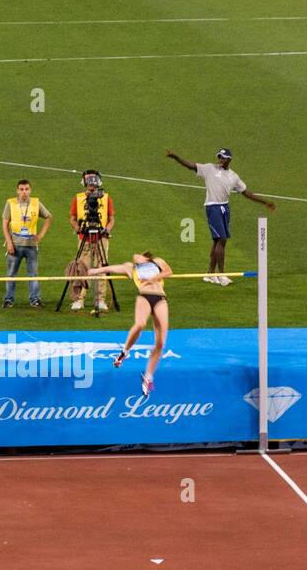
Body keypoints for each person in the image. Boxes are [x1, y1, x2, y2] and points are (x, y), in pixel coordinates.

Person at [165, 147, 275, 284]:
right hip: (213, 207)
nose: (220, 160)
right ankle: (222, 274)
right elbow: (191, 165)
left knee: (218, 241)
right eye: (219, 157)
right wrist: (175, 156)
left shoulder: (234, 176)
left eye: (223, 158)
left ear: (229, 159)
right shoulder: (210, 168)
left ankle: (210, 274)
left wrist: (264, 202)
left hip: (225, 208)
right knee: (222, 239)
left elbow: (246, 192)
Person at [88, 253, 172, 397]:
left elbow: (168, 272)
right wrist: (95, 271)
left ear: (145, 256)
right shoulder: (131, 267)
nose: (135, 257)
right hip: (144, 296)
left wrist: (154, 278)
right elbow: (113, 268)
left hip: (160, 298)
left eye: (137, 256)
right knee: (140, 324)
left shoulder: (157, 261)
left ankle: (148, 377)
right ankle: (124, 353)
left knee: (160, 343)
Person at [67, 170, 115, 312]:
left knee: (101, 268)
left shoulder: (106, 197)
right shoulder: (78, 198)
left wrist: (107, 230)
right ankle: (79, 300)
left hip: (101, 237)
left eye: (93, 179)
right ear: (84, 181)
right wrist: (77, 228)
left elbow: (111, 218)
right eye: (88, 179)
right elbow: (72, 218)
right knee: (82, 268)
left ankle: (100, 300)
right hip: (85, 238)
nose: (91, 182)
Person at [2, 179, 52, 308]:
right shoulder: (11, 203)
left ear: (30, 190)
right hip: (15, 245)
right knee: (11, 274)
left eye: (26, 189)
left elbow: (48, 217)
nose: (24, 192)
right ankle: (8, 299)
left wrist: (41, 235)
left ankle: (35, 299)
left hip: (31, 245)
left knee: (33, 274)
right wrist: (9, 243)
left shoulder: (36, 203)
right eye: (22, 189)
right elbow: (5, 224)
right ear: (17, 190)